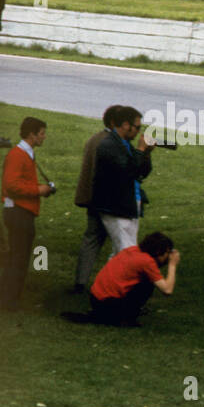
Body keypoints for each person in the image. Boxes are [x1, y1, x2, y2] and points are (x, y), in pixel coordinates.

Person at [0, 117, 55, 312]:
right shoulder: (18, 154)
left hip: (21, 211)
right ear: (32, 134)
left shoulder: (26, 153)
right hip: (18, 212)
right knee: (19, 258)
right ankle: (9, 301)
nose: (44, 137)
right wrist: (38, 190)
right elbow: (11, 186)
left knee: (18, 256)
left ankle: (7, 297)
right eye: (42, 133)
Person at [66, 232, 179, 327]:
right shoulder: (147, 262)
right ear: (159, 251)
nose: (168, 256)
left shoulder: (133, 250)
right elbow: (167, 290)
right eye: (167, 252)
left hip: (96, 300)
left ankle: (115, 315)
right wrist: (172, 265)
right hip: (107, 305)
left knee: (145, 280)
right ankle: (124, 319)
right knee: (147, 285)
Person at [73, 105, 127, 293]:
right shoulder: (112, 143)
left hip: (92, 199)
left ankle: (80, 281)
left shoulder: (94, 139)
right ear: (114, 123)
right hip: (108, 201)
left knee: (91, 239)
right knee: (120, 243)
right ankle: (112, 284)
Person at [90, 105, 153, 256]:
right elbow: (128, 171)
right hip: (116, 206)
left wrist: (147, 153)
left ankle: (109, 279)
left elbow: (142, 172)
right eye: (137, 127)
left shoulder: (125, 145)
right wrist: (140, 150)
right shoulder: (109, 145)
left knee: (121, 254)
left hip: (129, 203)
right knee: (127, 253)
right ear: (125, 125)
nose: (138, 132)